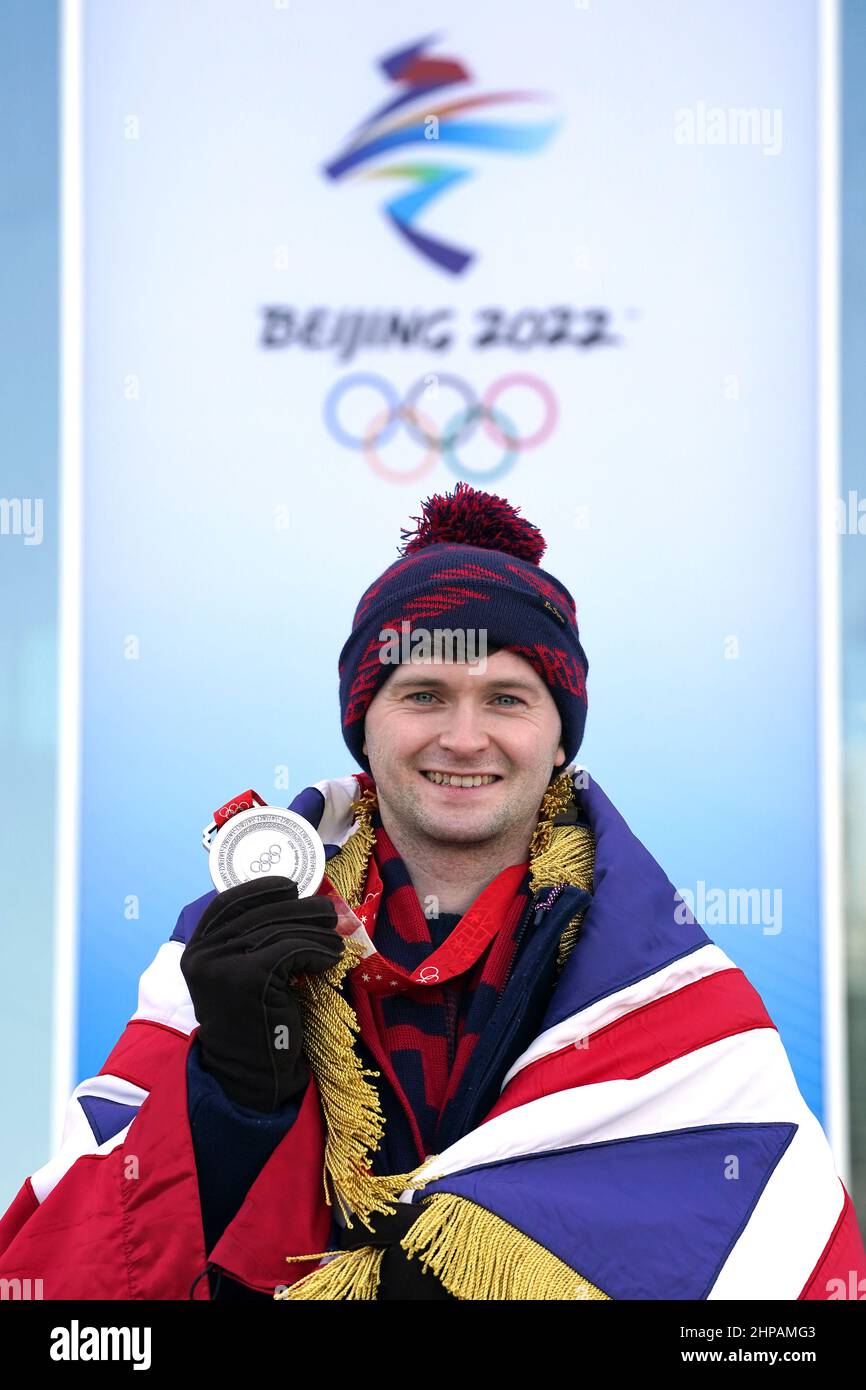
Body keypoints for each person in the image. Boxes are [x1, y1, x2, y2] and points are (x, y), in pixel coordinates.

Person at [1, 480, 863, 1301]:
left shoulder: (663, 982)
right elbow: (78, 1289)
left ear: (560, 738)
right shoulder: (227, 942)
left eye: (507, 699)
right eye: (423, 694)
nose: (463, 736)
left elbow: (782, 1295)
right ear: (362, 727)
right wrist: (228, 1103)